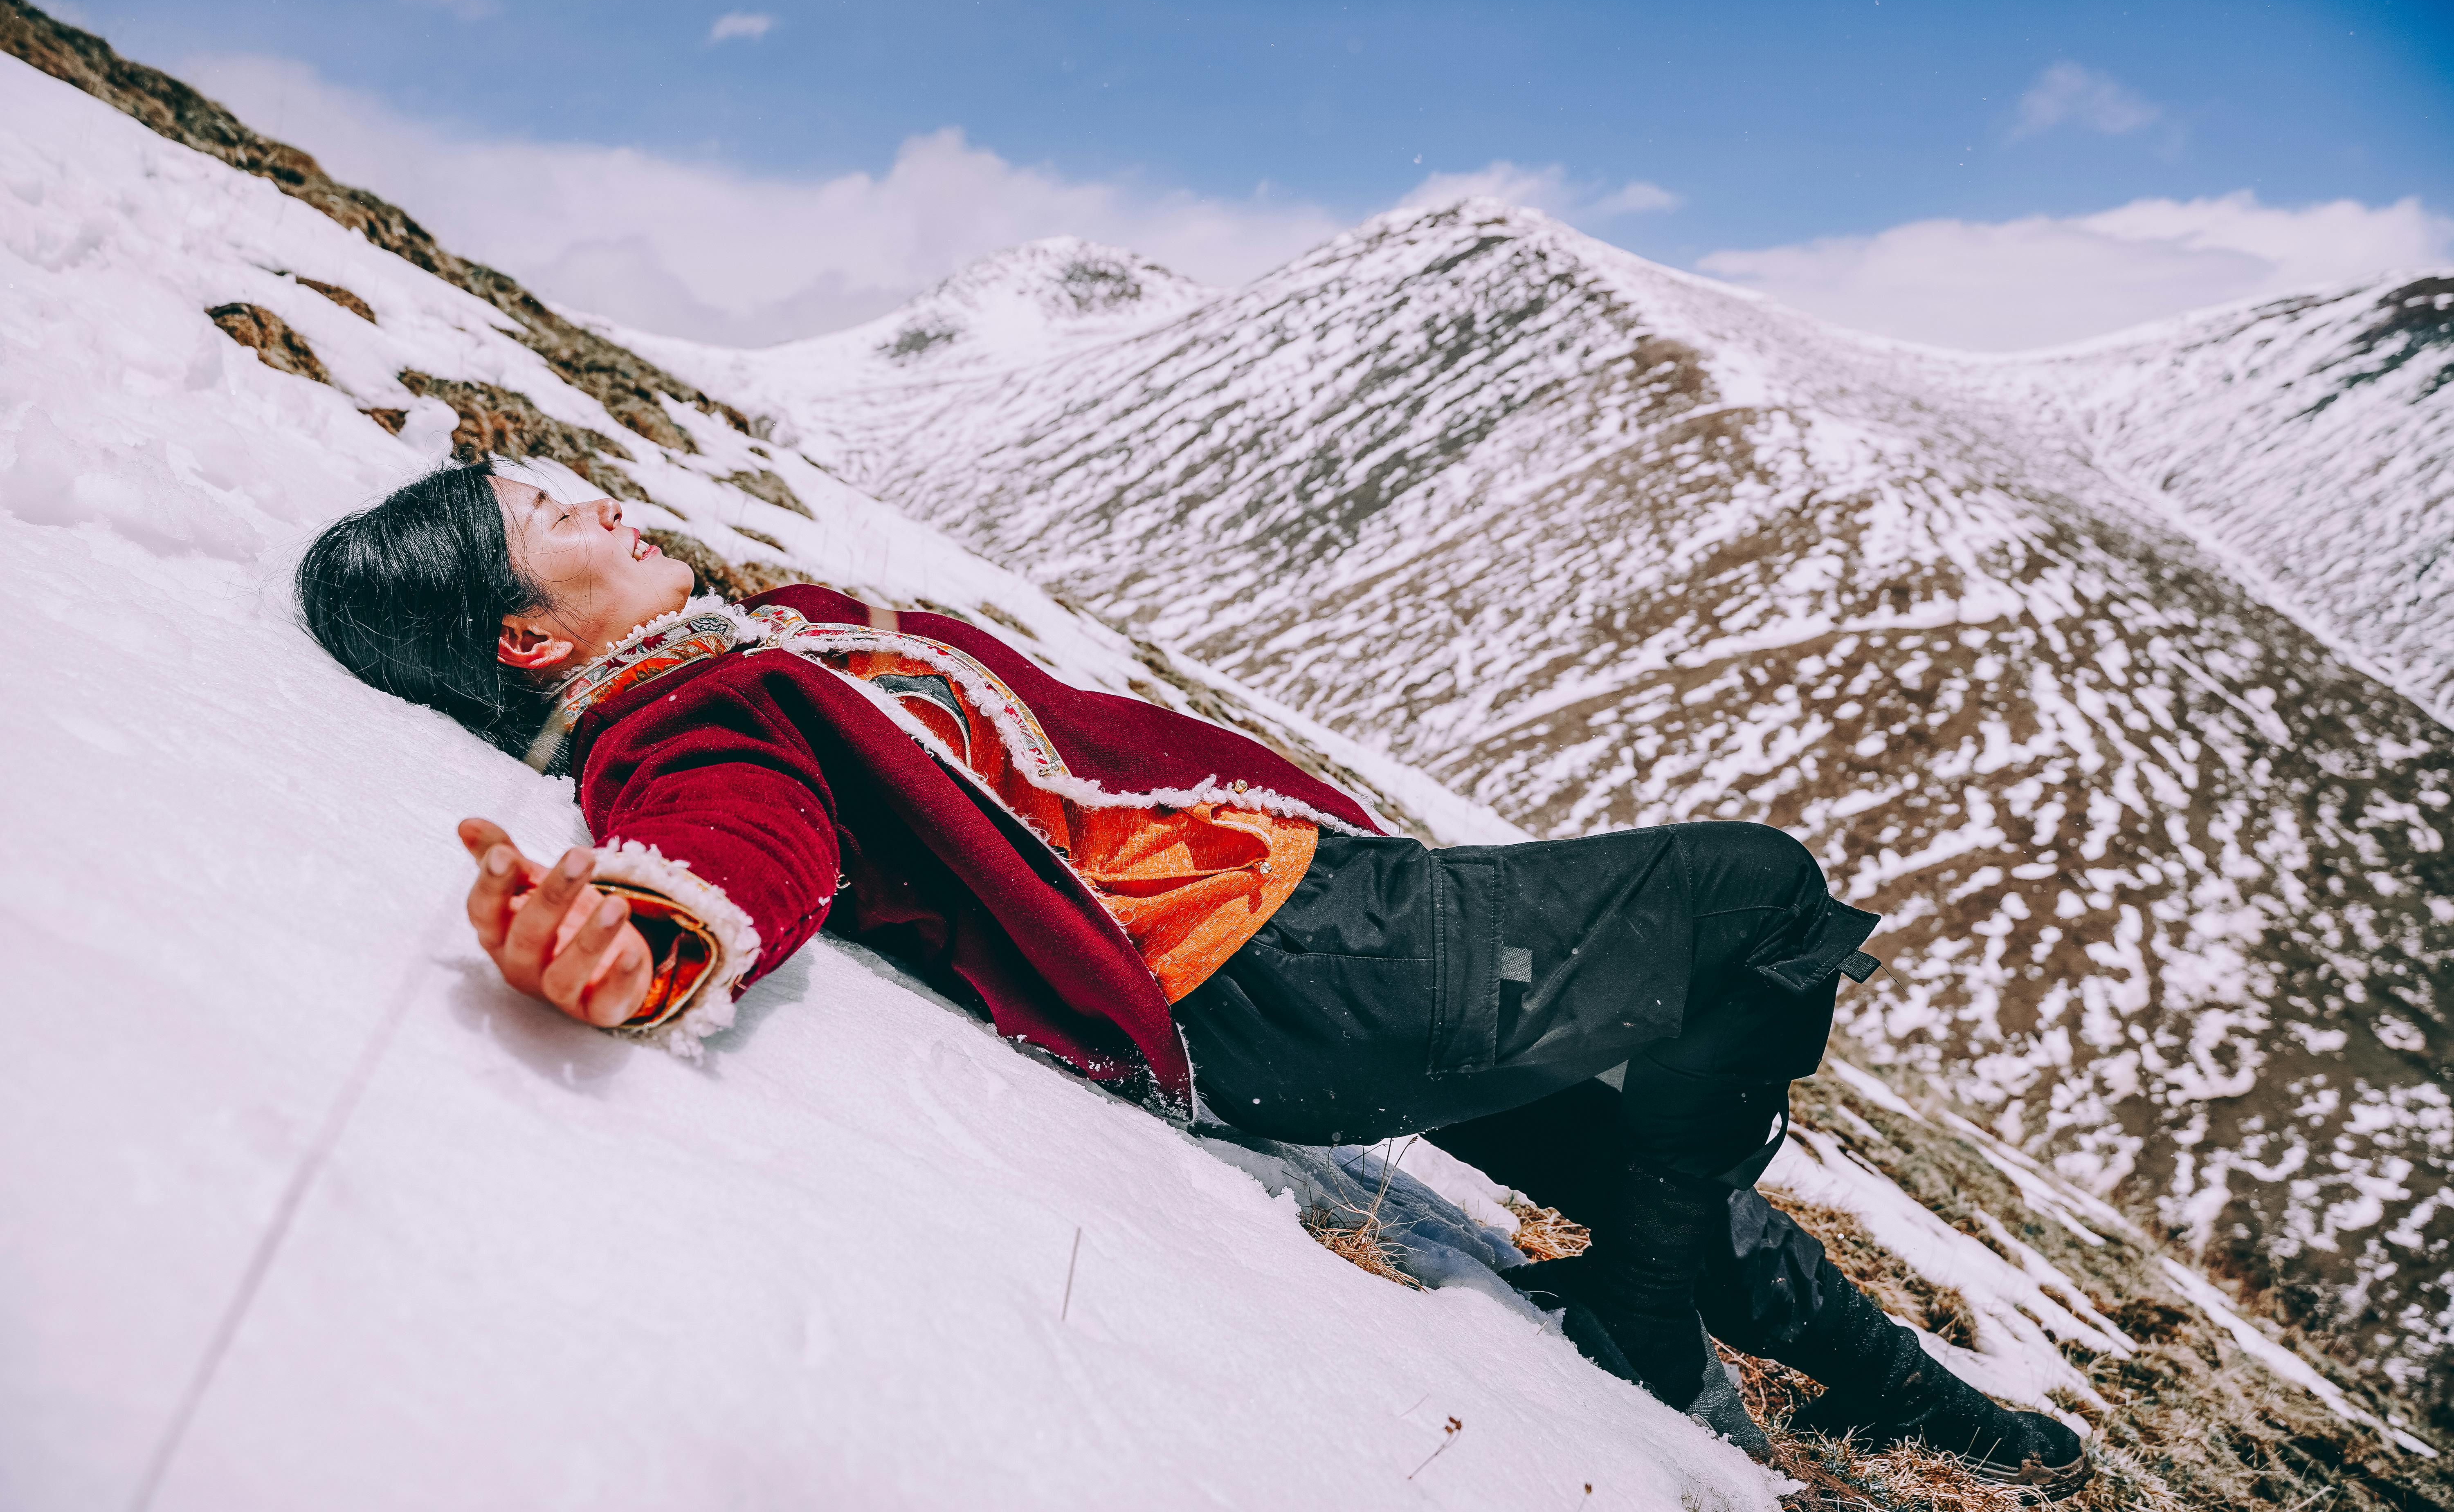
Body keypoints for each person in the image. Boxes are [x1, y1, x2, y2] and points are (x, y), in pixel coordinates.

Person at [297, 460, 2091, 1496]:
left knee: (1643, 1156)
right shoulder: (697, 720)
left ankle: (1923, 1406)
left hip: (1318, 918)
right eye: (552, 514)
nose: (597, 494)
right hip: (1279, 975)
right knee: (1753, 891)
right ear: (533, 635)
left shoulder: (757, 630)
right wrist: (643, 931)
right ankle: (1643, 1314)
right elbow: (733, 846)